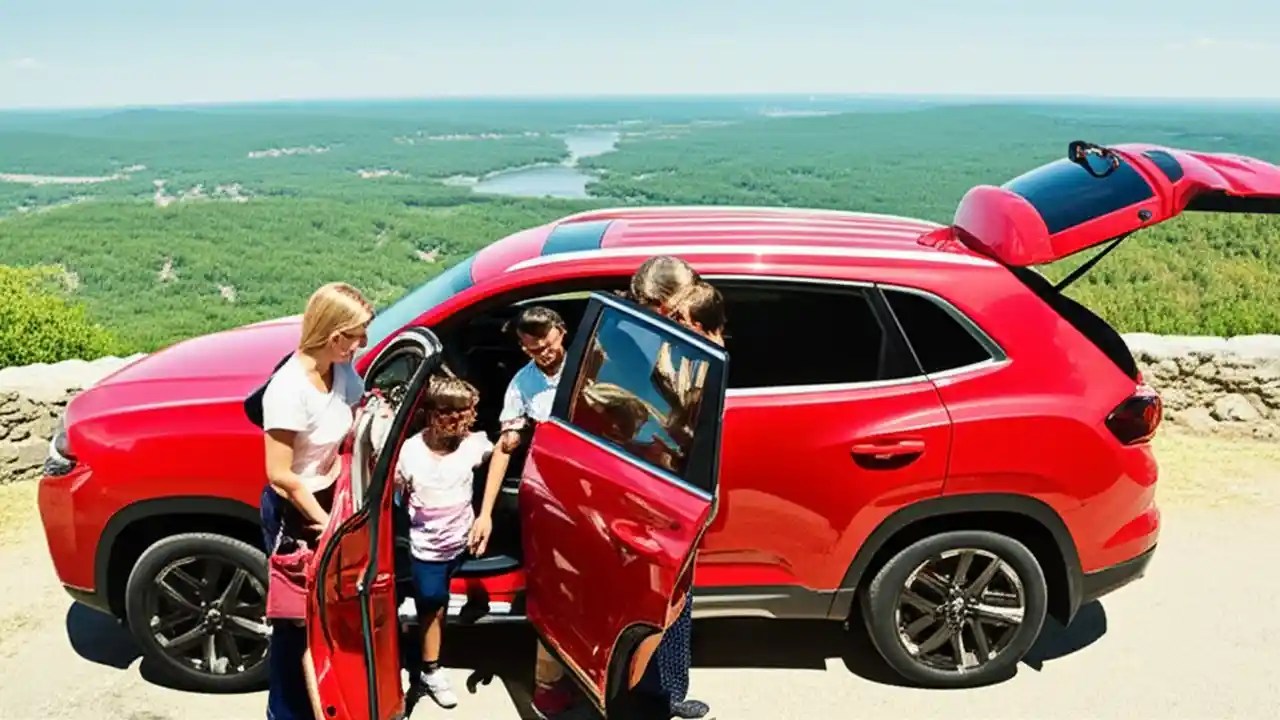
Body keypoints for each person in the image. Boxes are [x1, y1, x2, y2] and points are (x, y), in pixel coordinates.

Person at [260, 282, 373, 720]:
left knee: (327, 618)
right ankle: (286, 712)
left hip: (331, 499)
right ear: (334, 336)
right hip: (297, 511)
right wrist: (327, 523)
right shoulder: (288, 390)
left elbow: (359, 410)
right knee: (295, 624)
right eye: (357, 335)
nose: (362, 344)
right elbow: (281, 474)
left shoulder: (339, 371)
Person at [395, 375, 495, 709]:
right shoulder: (410, 452)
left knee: (465, 584)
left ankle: (477, 606)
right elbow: (396, 494)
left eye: (464, 413)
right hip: (428, 549)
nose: (456, 420)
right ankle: (431, 670)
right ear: (430, 413)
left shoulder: (475, 444)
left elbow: (500, 455)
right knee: (432, 606)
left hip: (465, 539)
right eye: (448, 412)